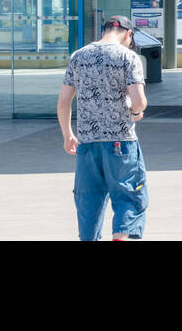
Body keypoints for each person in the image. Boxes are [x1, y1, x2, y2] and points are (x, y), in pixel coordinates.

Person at [56, 14, 149, 241]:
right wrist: (136, 113)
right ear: (128, 34)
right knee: (128, 197)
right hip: (121, 143)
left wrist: (68, 134)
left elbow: (63, 100)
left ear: (103, 32)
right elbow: (139, 102)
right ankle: (120, 237)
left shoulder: (78, 56)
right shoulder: (128, 57)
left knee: (88, 201)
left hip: (87, 144)